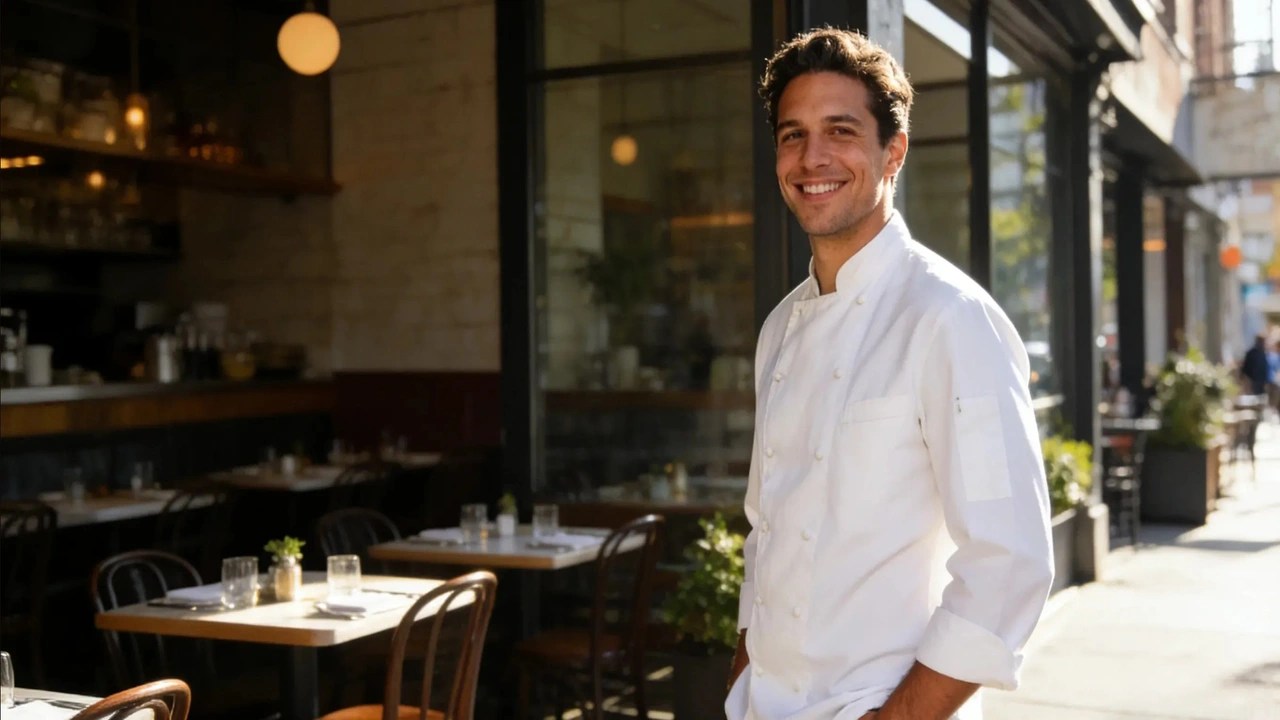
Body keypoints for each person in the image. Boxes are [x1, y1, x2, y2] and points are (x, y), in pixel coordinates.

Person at [726, 29, 1054, 720]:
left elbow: (1011, 559)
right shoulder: (780, 328)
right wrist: (740, 679)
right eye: (793, 135)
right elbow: (768, 533)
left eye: (840, 130)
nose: (812, 158)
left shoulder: (949, 316)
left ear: (893, 150)